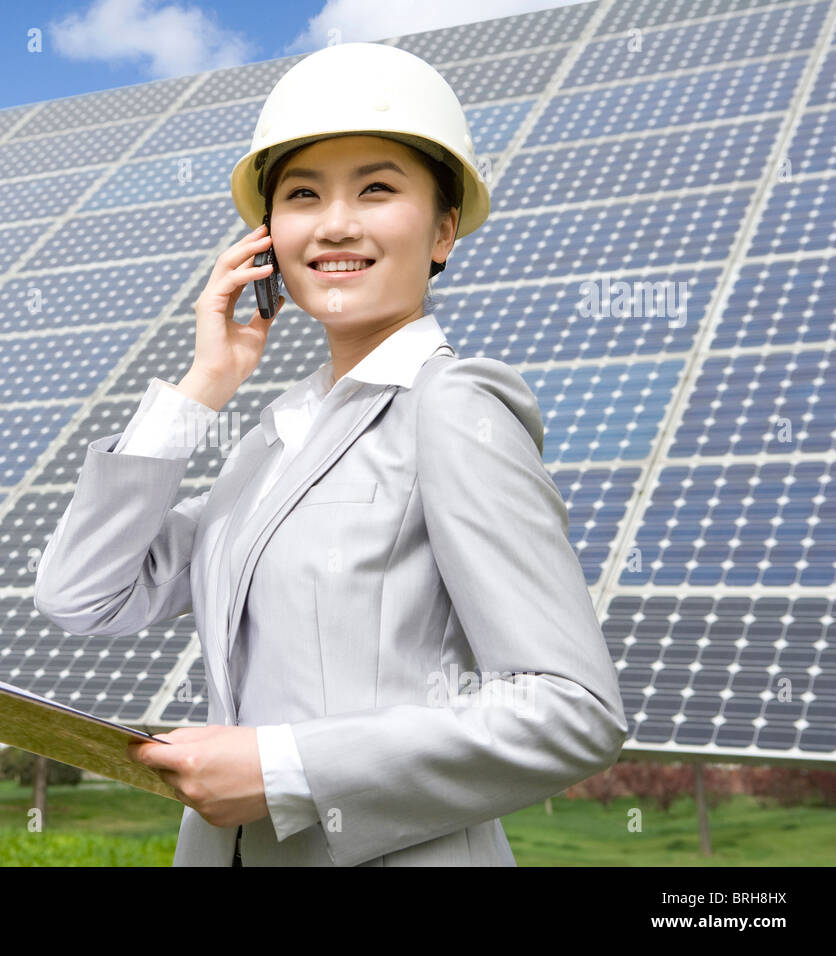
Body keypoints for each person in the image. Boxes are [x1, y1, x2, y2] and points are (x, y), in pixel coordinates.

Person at [33, 42, 627, 866]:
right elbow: (81, 596)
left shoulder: (452, 409)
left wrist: (282, 770)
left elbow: (573, 711)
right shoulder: (273, 439)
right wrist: (206, 383)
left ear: (444, 228)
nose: (336, 222)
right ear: (268, 236)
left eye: (377, 189)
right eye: (303, 195)